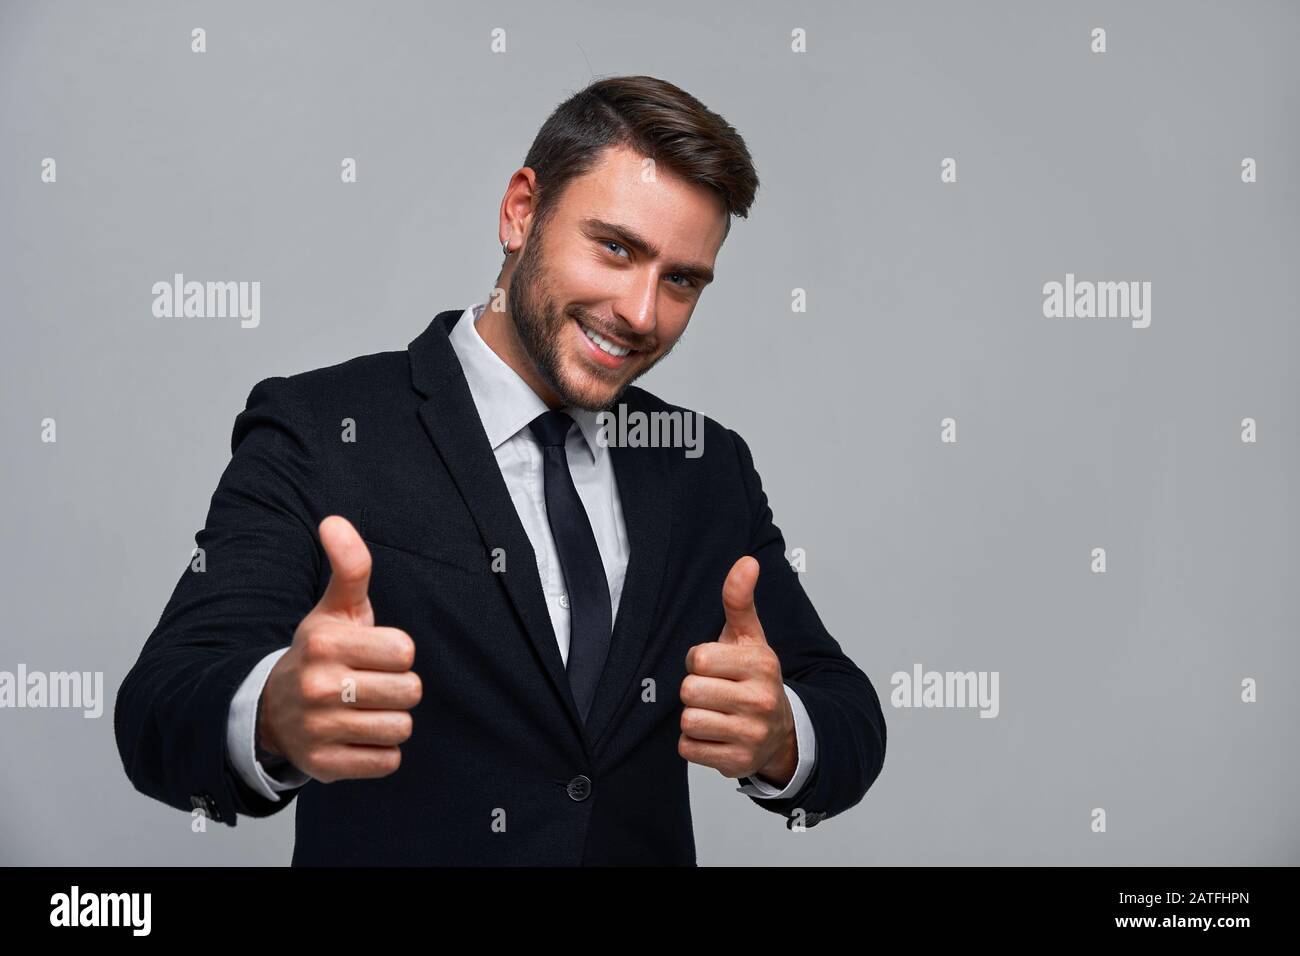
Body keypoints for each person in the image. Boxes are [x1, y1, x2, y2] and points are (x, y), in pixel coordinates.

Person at [115, 74, 886, 865]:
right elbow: (157, 708)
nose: (642, 313)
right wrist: (273, 712)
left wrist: (785, 734)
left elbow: (849, 713)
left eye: (682, 280)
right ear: (522, 211)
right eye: (616, 248)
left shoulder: (704, 465)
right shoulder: (323, 430)